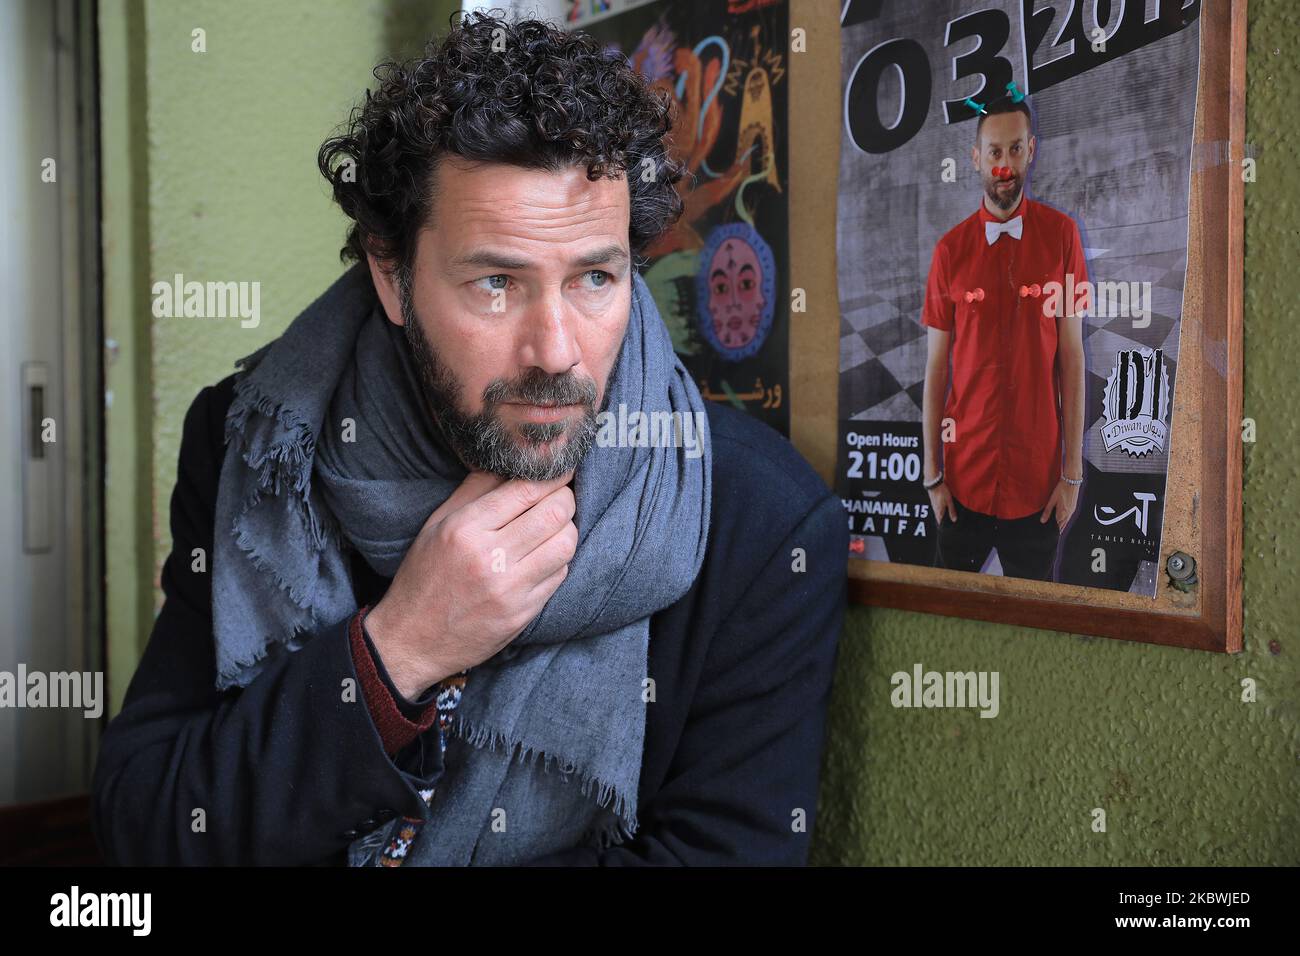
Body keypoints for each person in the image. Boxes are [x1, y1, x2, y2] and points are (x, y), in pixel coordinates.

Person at [90, 12, 847, 866]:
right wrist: (400, 647)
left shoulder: (759, 526)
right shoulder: (253, 448)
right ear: (391, 271)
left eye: (596, 277)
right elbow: (146, 825)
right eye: (496, 282)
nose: (556, 351)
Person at [920, 96, 1088, 582]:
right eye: (994, 152)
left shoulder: (1062, 237)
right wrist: (932, 475)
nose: (1005, 165)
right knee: (949, 623)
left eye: (1015, 150)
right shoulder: (949, 250)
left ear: (1031, 150)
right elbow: (936, 368)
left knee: (1035, 632)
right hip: (961, 485)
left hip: (1038, 491)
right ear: (976, 157)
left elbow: (1072, 360)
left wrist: (1071, 477)